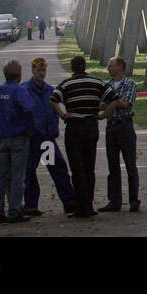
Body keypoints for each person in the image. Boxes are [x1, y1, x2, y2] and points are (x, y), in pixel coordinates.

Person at [50, 55, 106, 217]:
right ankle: (89, 204)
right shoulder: (97, 82)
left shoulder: (67, 84)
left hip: (74, 128)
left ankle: (81, 207)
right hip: (91, 126)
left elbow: (53, 100)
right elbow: (113, 99)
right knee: (89, 168)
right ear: (85, 66)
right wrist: (102, 114)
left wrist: (63, 114)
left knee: (77, 168)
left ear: (72, 68)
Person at [22, 57, 75, 217]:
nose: (41, 73)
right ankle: (31, 204)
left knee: (58, 170)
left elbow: (54, 110)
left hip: (46, 139)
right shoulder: (24, 89)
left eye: (43, 70)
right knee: (29, 172)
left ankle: (70, 203)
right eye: (38, 70)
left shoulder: (49, 90)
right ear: (33, 71)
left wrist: (53, 128)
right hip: (31, 139)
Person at [0, 59, 35, 223]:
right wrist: (28, 127)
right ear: (20, 74)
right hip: (17, 137)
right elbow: (29, 108)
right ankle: (14, 210)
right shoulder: (18, 90)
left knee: (0, 175)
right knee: (17, 176)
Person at [98, 56, 139, 212]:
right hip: (111, 127)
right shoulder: (106, 85)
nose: (108, 68)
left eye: (111, 65)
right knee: (112, 166)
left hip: (125, 126)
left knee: (130, 165)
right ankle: (114, 201)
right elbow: (100, 104)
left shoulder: (130, 84)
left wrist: (111, 103)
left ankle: (134, 200)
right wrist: (114, 103)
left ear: (120, 67)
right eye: (108, 65)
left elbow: (126, 104)